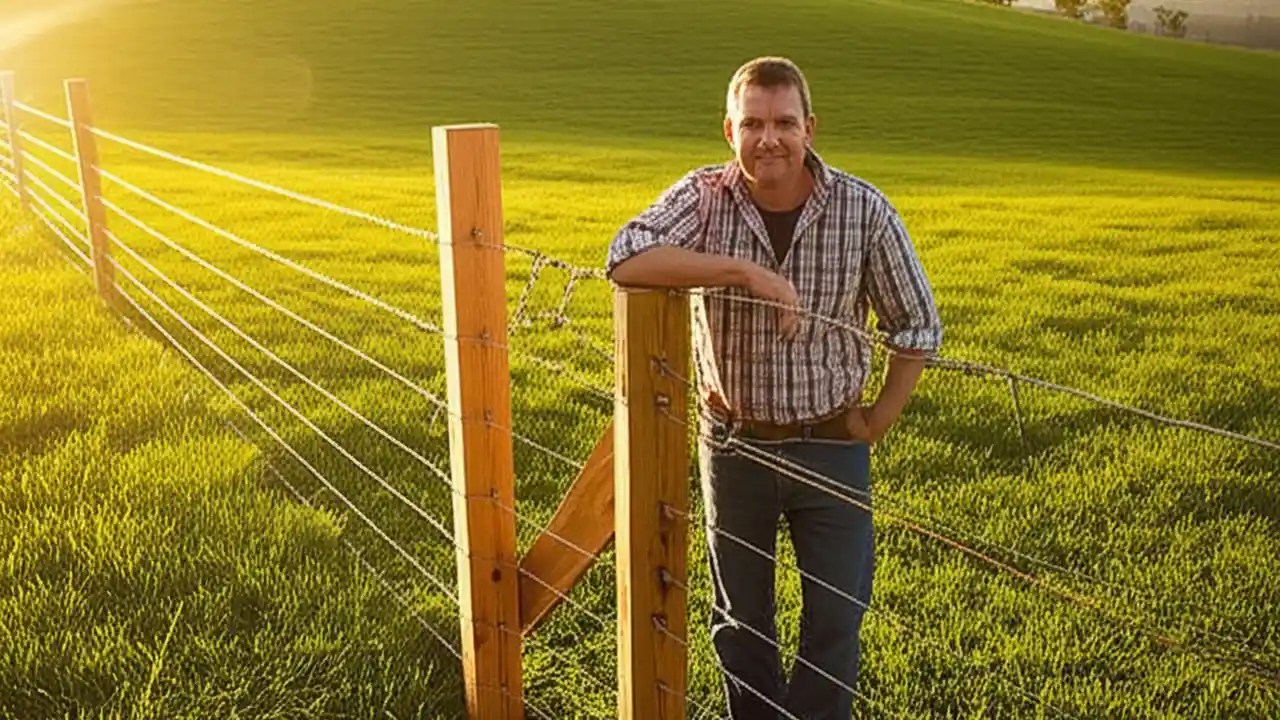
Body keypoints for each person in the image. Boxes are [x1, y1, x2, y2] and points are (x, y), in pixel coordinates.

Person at [605, 56, 943, 719]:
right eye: (754, 123)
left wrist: (877, 419)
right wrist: (744, 272)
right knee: (740, 621)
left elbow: (919, 324)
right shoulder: (705, 198)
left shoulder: (862, 209)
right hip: (734, 445)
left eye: (785, 122)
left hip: (831, 445)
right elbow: (625, 257)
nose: (770, 139)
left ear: (809, 127)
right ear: (728, 129)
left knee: (837, 618)